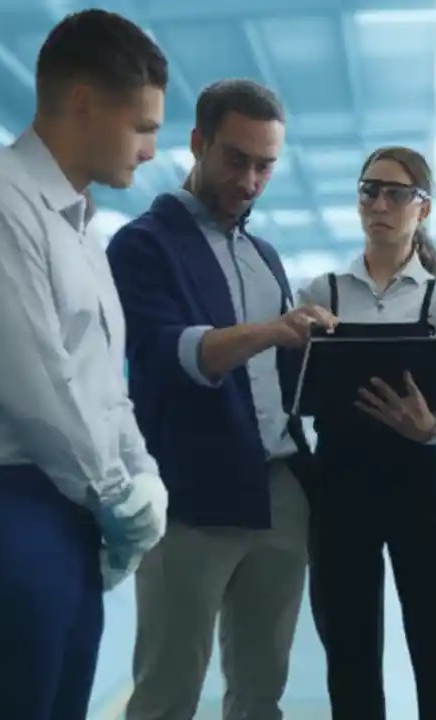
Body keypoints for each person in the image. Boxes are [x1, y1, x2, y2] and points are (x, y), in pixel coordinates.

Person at [0, 10, 170, 719]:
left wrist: (143, 476)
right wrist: (121, 498)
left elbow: (101, 388)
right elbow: (38, 388)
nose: (150, 150)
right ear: (83, 101)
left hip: (60, 519)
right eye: (143, 126)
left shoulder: (78, 228)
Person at [106, 78, 332, 720]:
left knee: (262, 691)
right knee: (168, 690)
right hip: (192, 496)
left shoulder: (263, 255)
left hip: (280, 490)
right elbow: (169, 351)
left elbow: (280, 376)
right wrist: (271, 330)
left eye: (266, 165)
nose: (252, 180)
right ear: (198, 143)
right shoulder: (143, 245)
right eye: (237, 159)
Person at [296, 146, 436, 720]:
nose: (379, 203)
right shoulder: (319, 294)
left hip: (420, 481)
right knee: (348, 648)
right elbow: (293, 389)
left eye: (396, 194)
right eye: (369, 191)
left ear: (422, 209)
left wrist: (432, 428)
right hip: (340, 485)